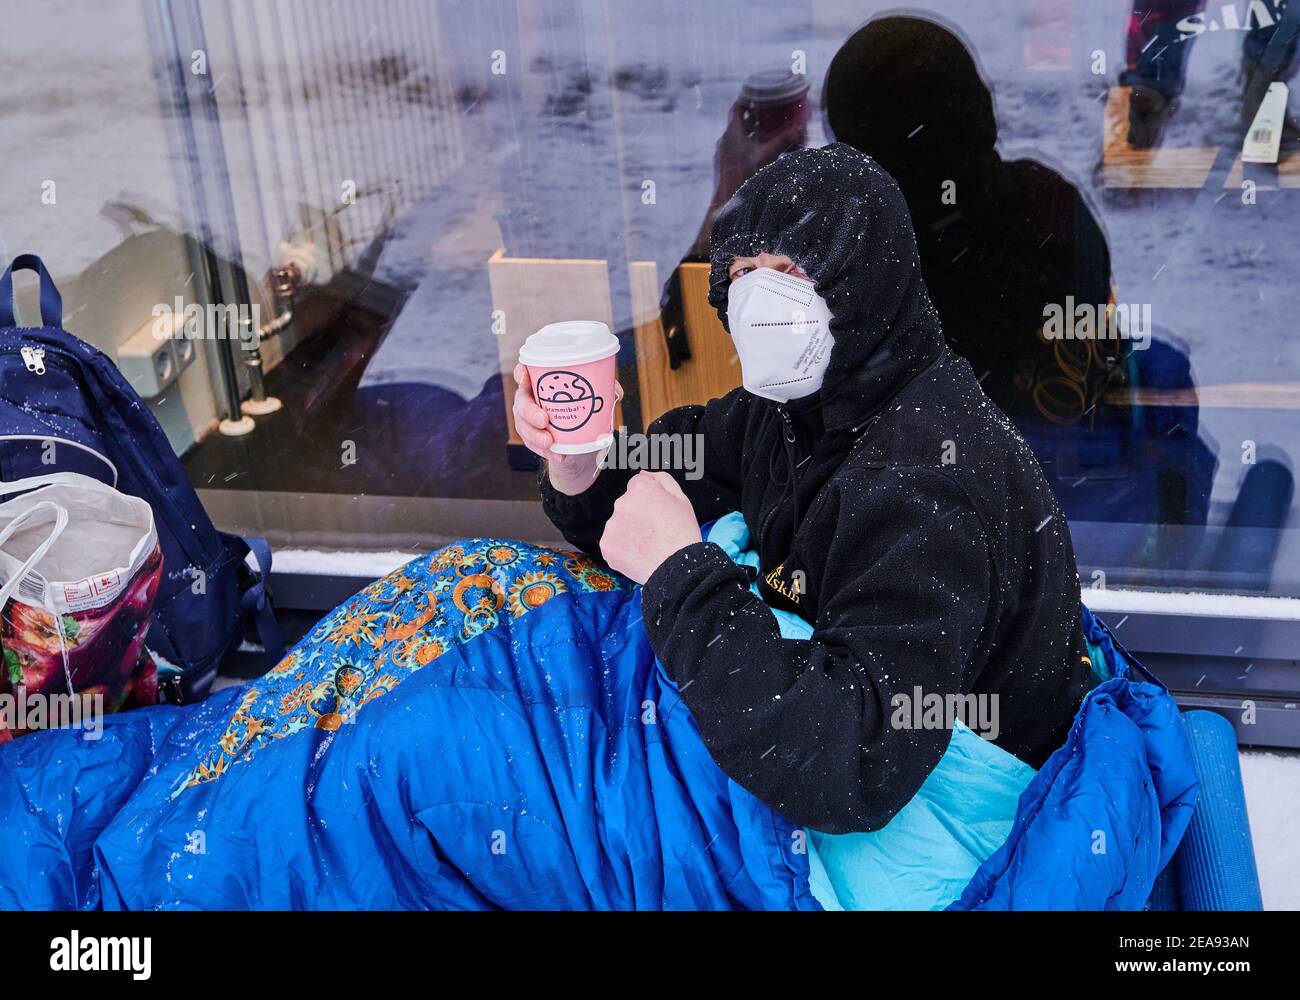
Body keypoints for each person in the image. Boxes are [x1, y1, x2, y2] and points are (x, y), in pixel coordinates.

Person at [512, 144, 1093, 834]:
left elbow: (856, 766)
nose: (759, 301)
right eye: (743, 271)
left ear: (867, 278)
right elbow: (646, 493)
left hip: (954, 816)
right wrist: (576, 462)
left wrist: (682, 576)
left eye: (790, 270)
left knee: (516, 787)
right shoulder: (791, 412)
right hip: (822, 742)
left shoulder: (927, 485)